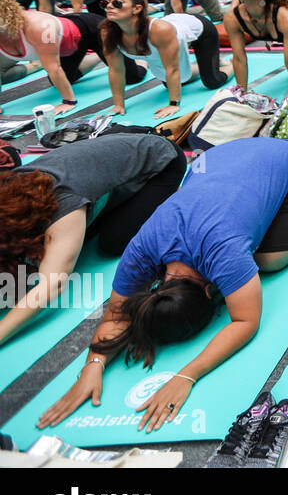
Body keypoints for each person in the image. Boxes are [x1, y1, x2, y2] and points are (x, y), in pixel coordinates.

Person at [37, 139, 288, 431]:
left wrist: (187, 376)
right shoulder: (143, 250)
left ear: (212, 290)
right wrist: (92, 366)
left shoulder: (225, 254)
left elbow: (245, 321)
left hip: (287, 160)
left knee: (271, 261)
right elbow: (117, 314)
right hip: (216, 157)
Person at [0, 134, 188, 348]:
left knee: (112, 243)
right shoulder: (10, 190)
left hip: (162, 162)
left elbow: (51, 285)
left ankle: (173, 197)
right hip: (104, 163)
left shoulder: (63, 207)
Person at [102, 0, 231, 117]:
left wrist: (173, 104)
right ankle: (208, 63)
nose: (109, 6)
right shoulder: (107, 31)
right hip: (177, 32)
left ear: (137, 8)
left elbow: (172, 69)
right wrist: (118, 105)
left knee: (212, 81)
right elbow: (116, 70)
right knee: (171, 83)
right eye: (106, 2)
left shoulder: (159, 30)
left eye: (117, 3)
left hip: (202, 31)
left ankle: (230, 65)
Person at [0, 0, 125, 112]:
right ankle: (98, 57)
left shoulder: (38, 27)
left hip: (90, 28)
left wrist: (69, 101)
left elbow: (54, 68)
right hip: (65, 46)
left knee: (132, 76)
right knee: (66, 79)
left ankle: (138, 60)